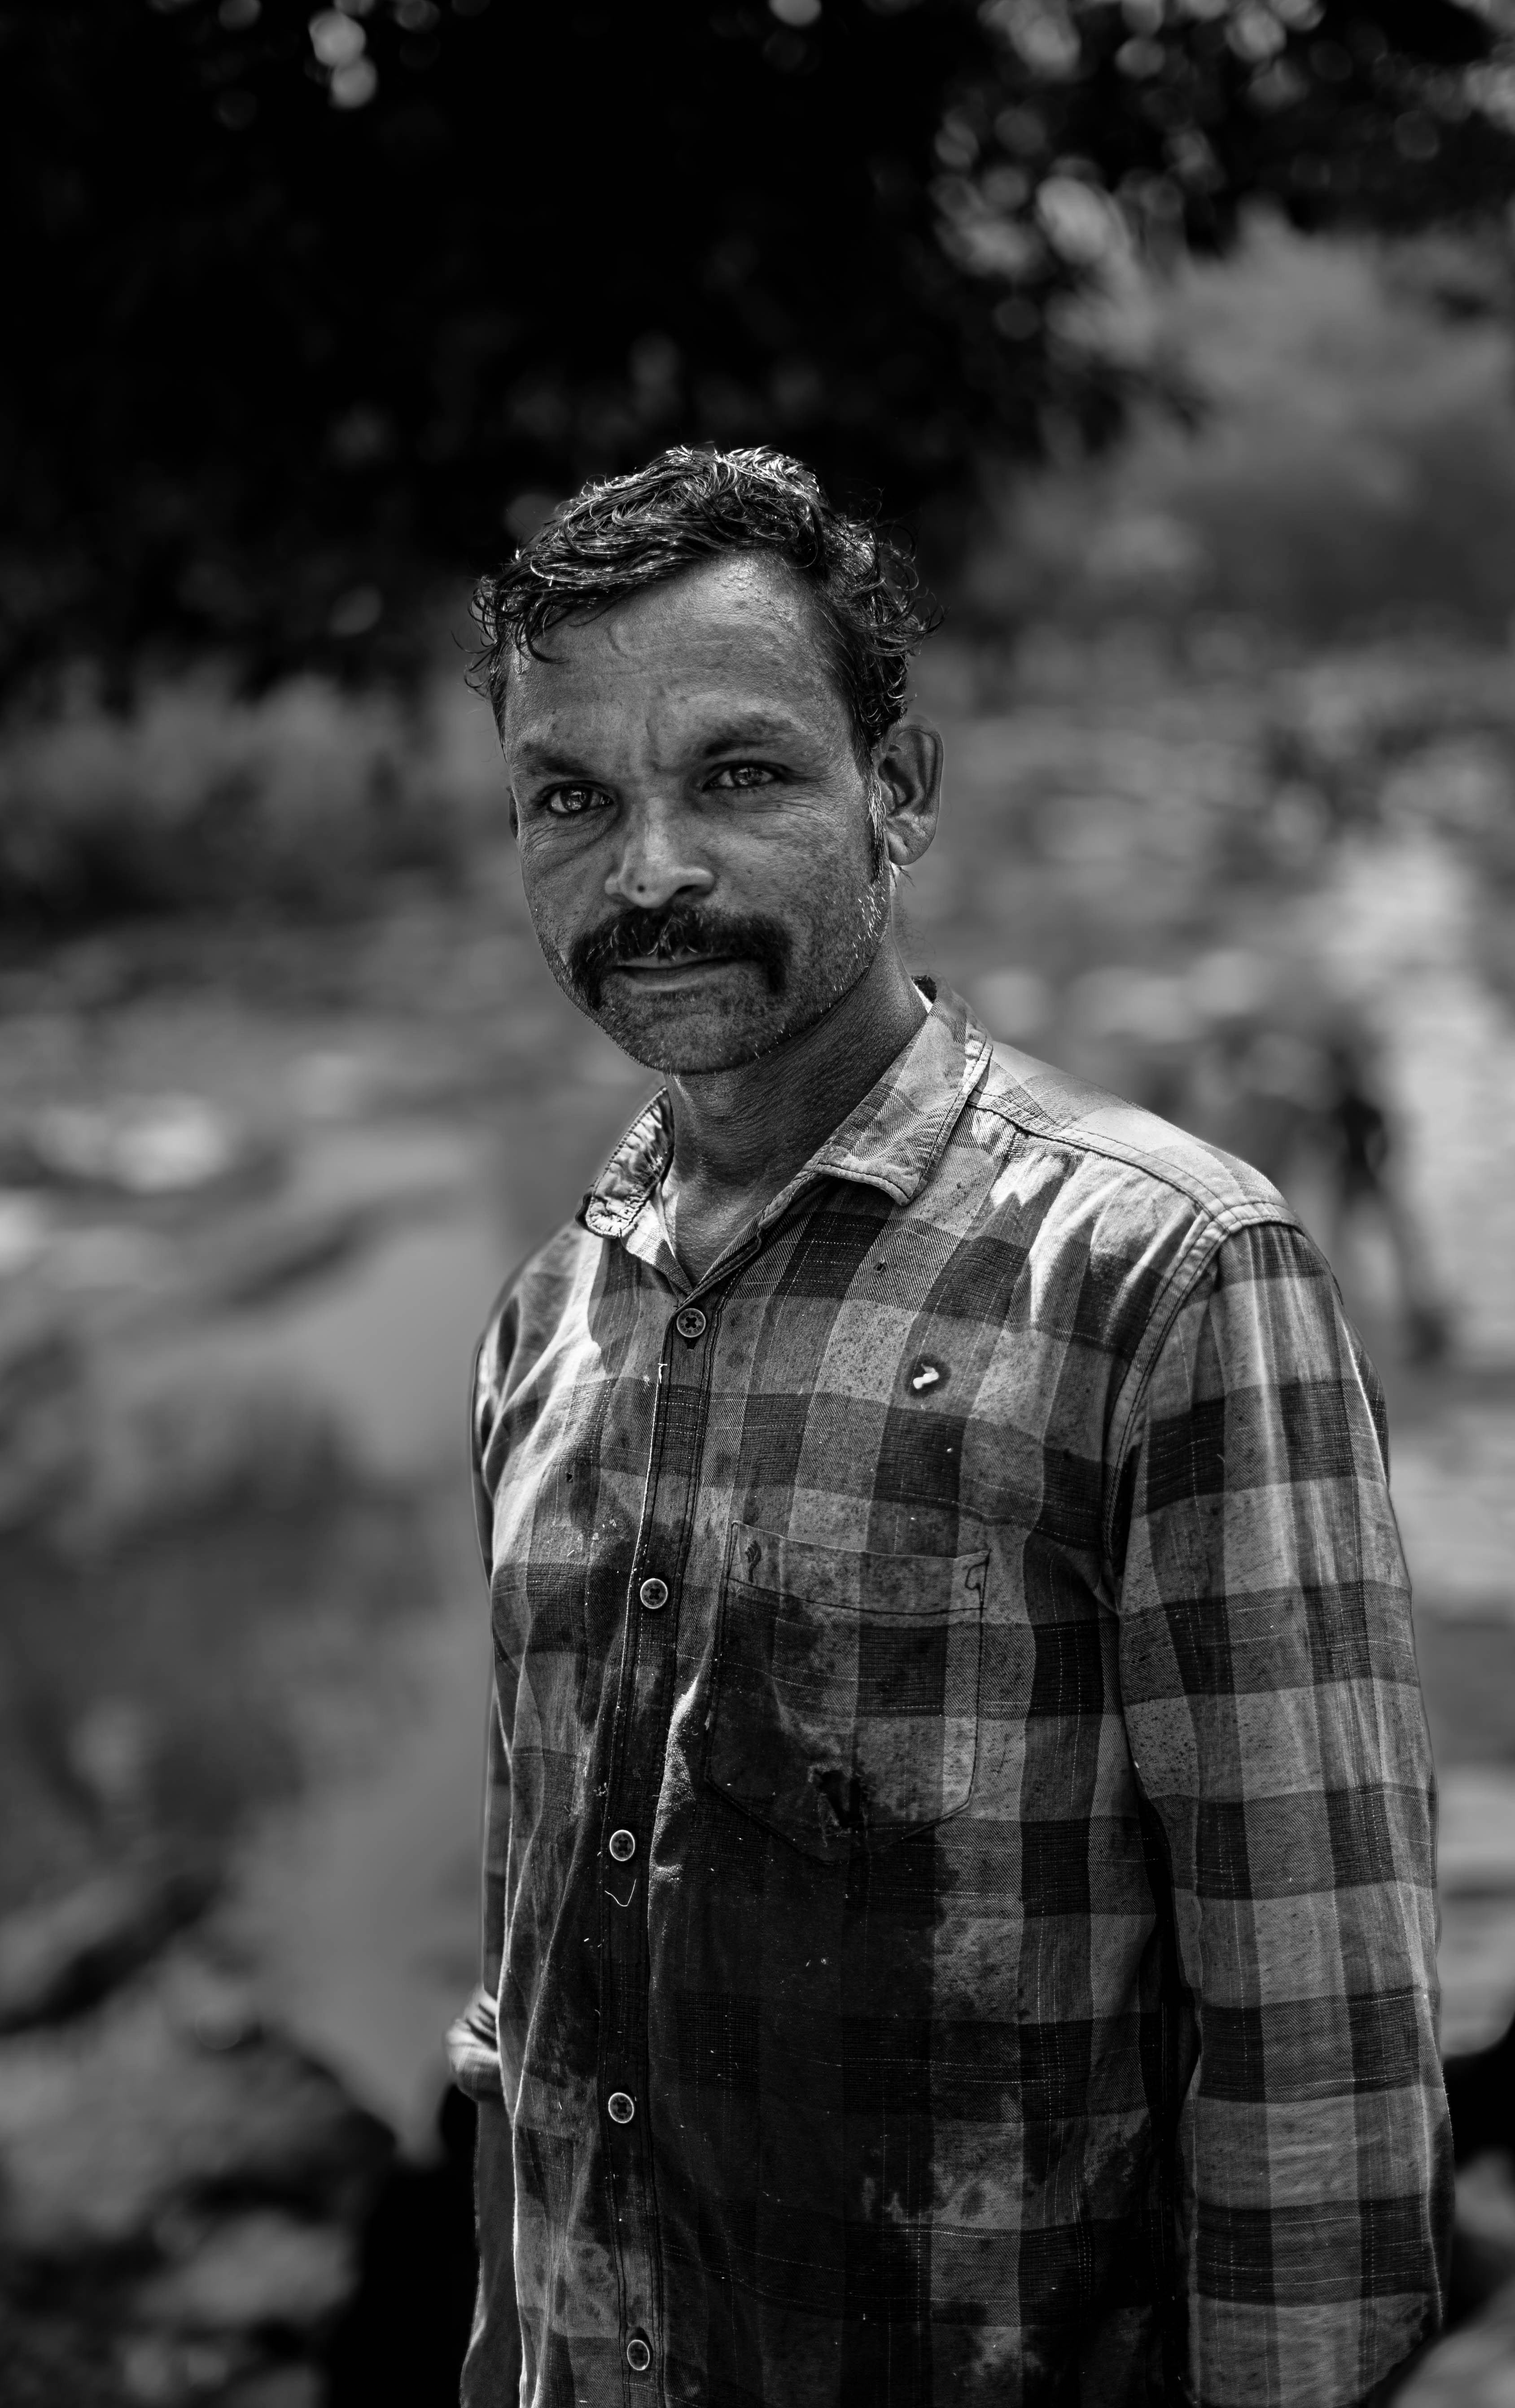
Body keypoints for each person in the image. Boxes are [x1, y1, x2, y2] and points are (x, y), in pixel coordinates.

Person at [446, 447, 1449, 2407]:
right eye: (570, 798)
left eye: (739, 775)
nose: (647, 871)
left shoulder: (1159, 1274)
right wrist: (498, 2338)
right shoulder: (551, 1318)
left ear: (896, 794)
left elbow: (1317, 2049)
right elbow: (542, 1935)